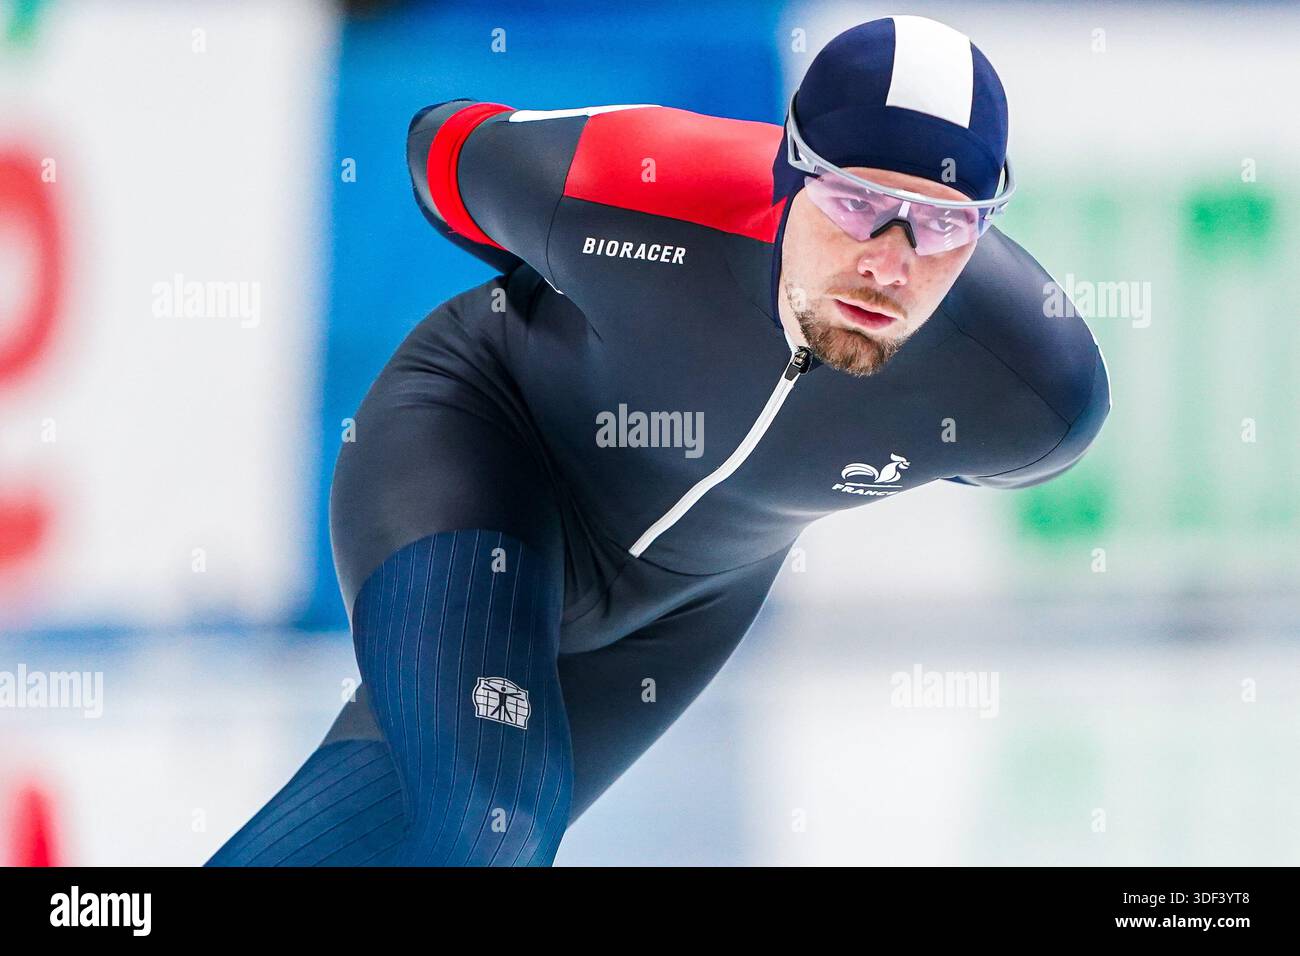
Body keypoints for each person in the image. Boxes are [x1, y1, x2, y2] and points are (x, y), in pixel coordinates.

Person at [207, 15, 1109, 866]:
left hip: (684, 609)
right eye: (856, 202)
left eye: (945, 222)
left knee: (417, 830)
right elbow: (437, 148)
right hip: (480, 454)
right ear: (791, 169)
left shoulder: (1033, 392)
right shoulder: (638, 186)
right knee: (492, 815)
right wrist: (581, 278)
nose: (890, 262)